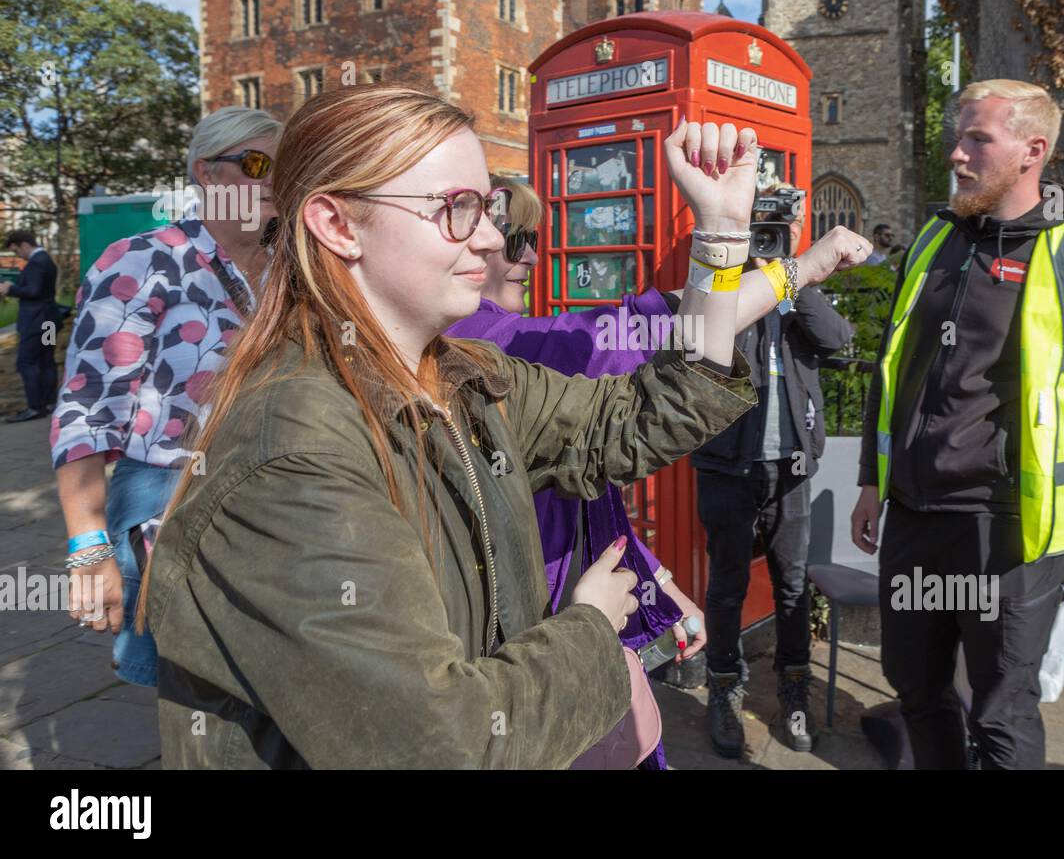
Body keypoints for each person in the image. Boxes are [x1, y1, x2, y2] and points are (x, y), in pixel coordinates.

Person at [141, 84, 774, 769]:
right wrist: (591, 629)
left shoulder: (466, 378)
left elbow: (636, 419)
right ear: (337, 225)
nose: (496, 238)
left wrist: (719, 234)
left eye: (489, 210)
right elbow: (440, 745)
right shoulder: (291, 458)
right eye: (457, 209)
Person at [445, 174, 872, 768]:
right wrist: (793, 264)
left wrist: (661, 581)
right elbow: (650, 332)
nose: (530, 255)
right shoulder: (477, 341)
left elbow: (583, 496)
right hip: (538, 647)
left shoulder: (504, 340)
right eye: (512, 235)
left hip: (576, 619)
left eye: (529, 236)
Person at [850, 79, 1064, 769]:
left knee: (1001, 710)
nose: (957, 156)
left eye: (977, 140)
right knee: (916, 688)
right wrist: (870, 482)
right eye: (957, 138)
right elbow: (892, 364)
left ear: (1033, 152)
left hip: (1007, 530)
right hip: (912, 515)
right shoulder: (935, 238)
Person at [53, 106, 280, 687]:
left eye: (289, 167)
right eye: (258, 164)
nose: (277, 181)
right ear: (208, 173)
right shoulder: (144, 260)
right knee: (189, 688)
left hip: (276, 494)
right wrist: (88, 548)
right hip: (168, 498)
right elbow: (87, 410)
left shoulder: (289, 271)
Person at [691, 197, 856, 757]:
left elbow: (837, 341)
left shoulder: (796, 293)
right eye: (759, 234)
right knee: (727, 584)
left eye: (775, 234)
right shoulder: (724, 290)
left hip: (790, 467)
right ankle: (723, 689)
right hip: (726, 466)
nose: (767, 242)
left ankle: (793, 693)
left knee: (791, 585)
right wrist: (745, 276)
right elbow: (695, 349)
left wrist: (794, 278)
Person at [1, 229, 59, 422]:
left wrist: (10, 289)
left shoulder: (35, 263)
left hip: (35, 322)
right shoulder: (46, 260)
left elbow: (33, 291)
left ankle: (35, 406)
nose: (19, 255)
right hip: (49, 320)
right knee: (46, 359)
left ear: (24, 245)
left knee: (27, 362)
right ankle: (50, 402)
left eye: (17, 251)